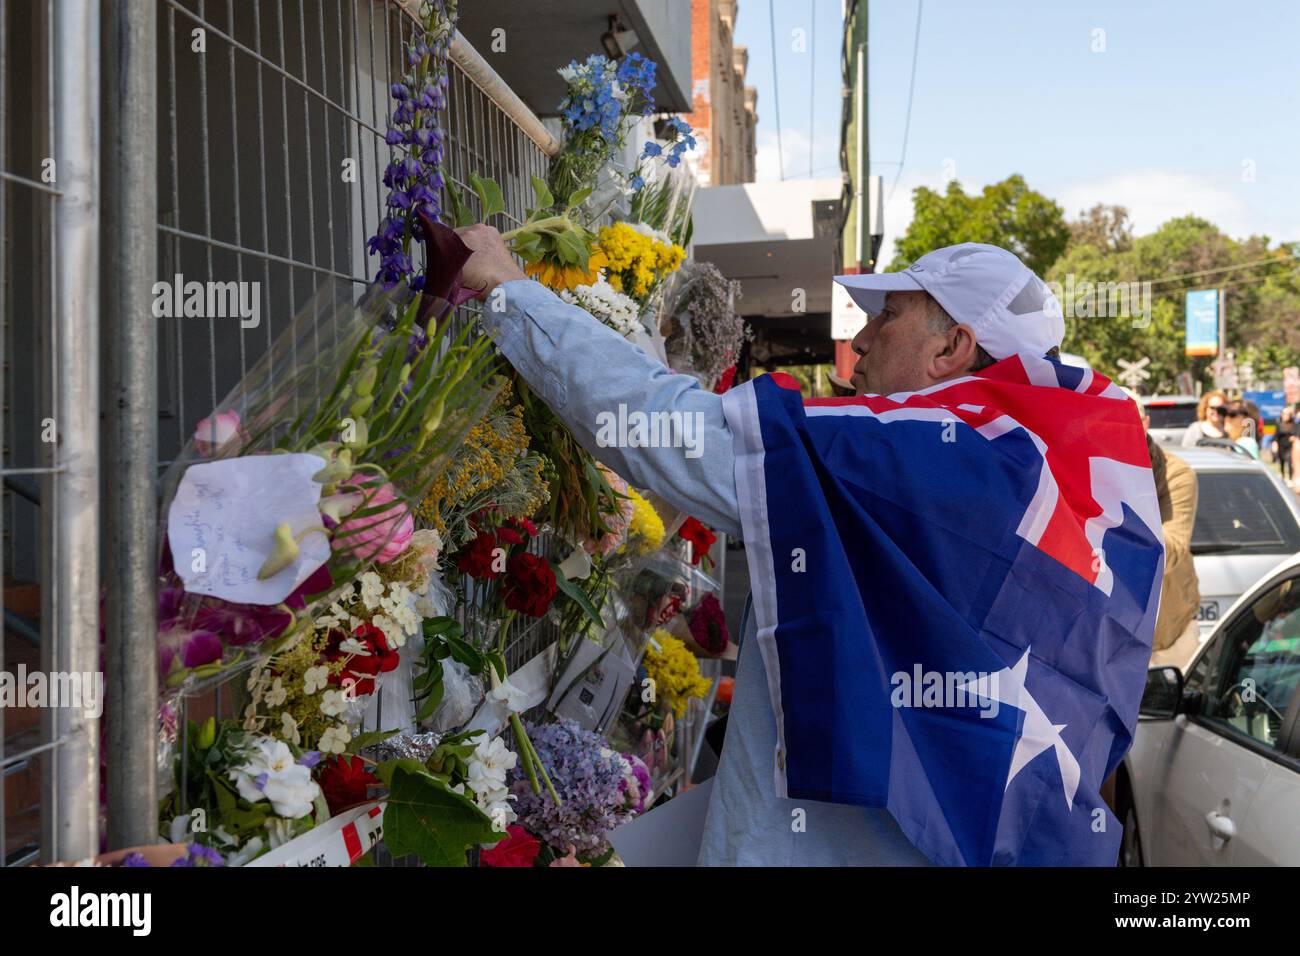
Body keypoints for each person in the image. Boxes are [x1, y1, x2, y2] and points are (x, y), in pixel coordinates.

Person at [455, 228, 1162, 866]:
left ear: (952, 347)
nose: (863, 339)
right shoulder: (1046, 475)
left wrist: (513, 295)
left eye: (891, 316)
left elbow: (671, 433)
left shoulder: (915, 453)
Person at [1276, 405, 1295, 485]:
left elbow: (1297, 433)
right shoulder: (1279, 423)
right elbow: (1276, 435)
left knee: (1290, 461)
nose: (1285, 416)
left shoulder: (1294, 424)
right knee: (1282, 461)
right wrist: (1274, 443)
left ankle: (1290, 478)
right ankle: (1283, 476)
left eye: (1287, 414)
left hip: (1290, 446)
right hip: (1281, 445)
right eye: (1283, 414)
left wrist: (1294, 437)